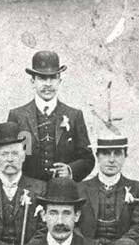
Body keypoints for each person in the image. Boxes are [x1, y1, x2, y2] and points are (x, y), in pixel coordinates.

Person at [6, 51, 93, 181]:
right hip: (28, 194)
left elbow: (88, 159)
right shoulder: (18, 116)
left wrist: (70, 170)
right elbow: (10, 157)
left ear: (59, 81)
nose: (48, 84)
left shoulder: (74, 116)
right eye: (42, 78)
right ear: (32, 81)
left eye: (52, 78)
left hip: (64, 193)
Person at [0, 122, 44, 245]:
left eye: (15, 153)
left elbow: (44, 228)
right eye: (4, 154)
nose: (10, 159)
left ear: (23, 156)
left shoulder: (40, 189)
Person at [78, 132, 139, 241]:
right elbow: (74, 225)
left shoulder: (137, 188)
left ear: (125, 156)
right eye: (106, 153)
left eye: (118, 154)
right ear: (97, 156)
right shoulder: (80, 188)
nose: (111, 160)